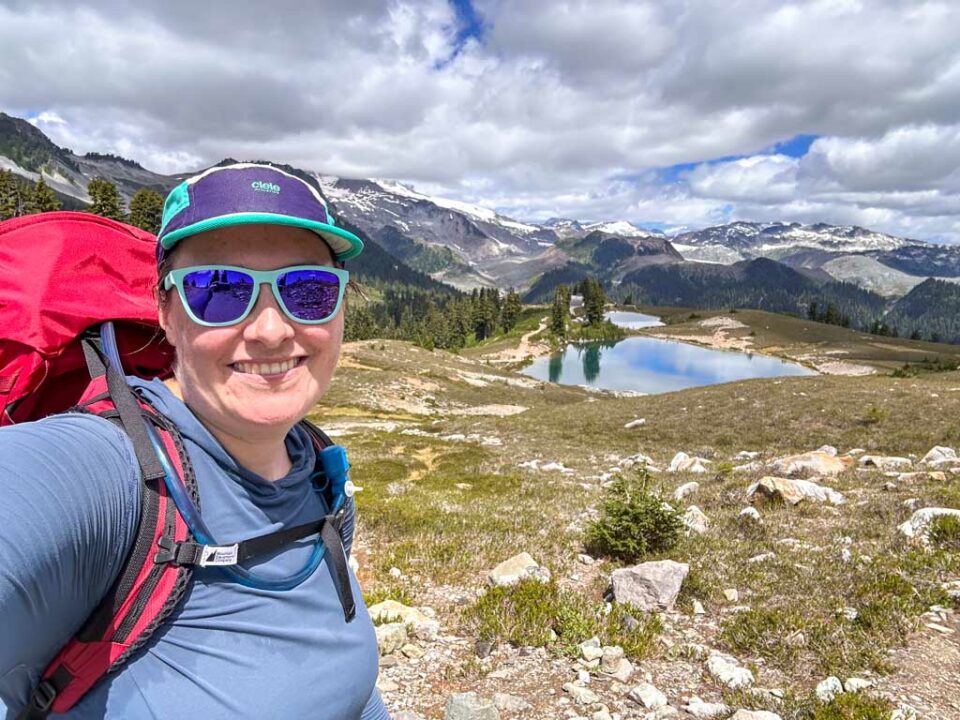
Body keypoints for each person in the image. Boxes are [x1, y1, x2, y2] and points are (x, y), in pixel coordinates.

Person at [0, 163, 390, 719]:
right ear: (166, 312)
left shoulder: (314, 469)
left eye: (308, 291)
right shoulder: (106, 471)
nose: (271, 329)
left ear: (342, 307)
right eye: (219, 290)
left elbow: (347, 687)